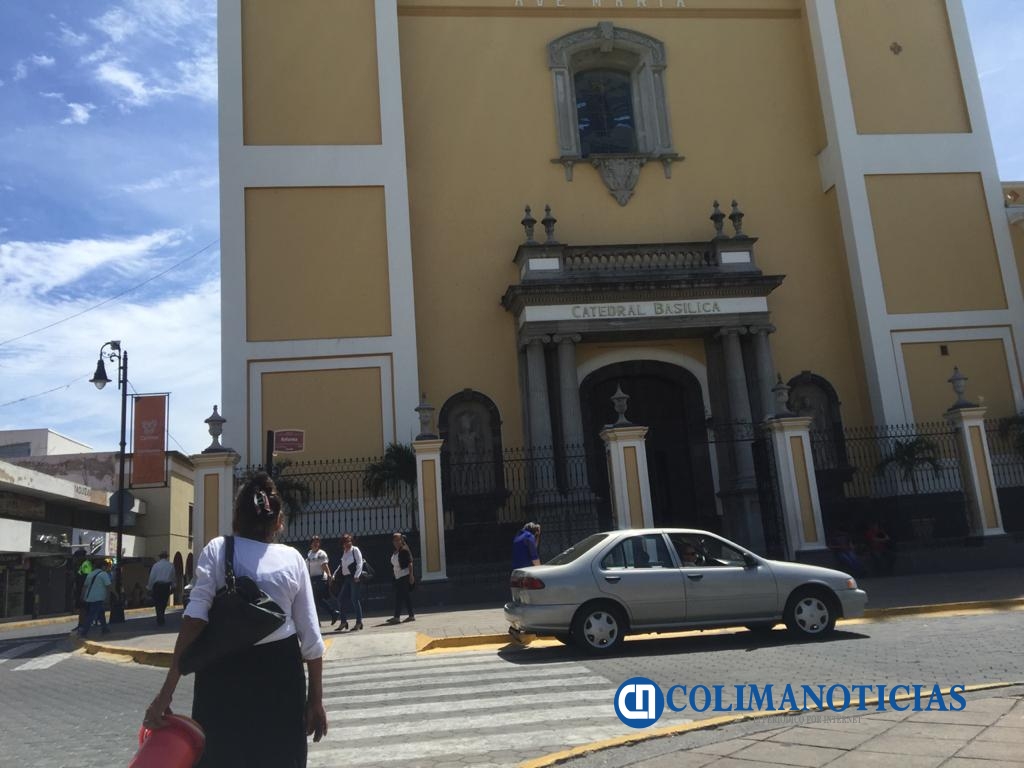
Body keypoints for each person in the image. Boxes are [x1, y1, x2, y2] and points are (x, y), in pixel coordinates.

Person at [143, 472, 327, 768]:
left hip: (222, 676)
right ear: (278, 521)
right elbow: (311, 640)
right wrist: (315, 700)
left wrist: (166, 693)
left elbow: (194, 621)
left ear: (236, 518)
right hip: (281, 677)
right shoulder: (292, 558)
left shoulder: (218, 549)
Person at [332, 533, 364, 632]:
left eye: (349, 541)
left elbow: (360, 562)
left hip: (354, 578)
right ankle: (343, 622)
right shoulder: (345, 552)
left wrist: (357, 575)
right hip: (346, 579)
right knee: (341, 599)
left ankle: (359, 622)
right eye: (345, 542)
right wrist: (334, 575)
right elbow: (341, 565)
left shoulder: (355, 550)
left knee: (354, 599)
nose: (347, 543)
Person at [79, 559, 117, 638]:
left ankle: (104, 628)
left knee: (101, 613)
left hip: (89, 598)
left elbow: (84, 586)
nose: (107, 569)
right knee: (91, 615)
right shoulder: (103, 574)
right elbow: (109, 586)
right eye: (106, 567)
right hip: (97, 598)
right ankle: (84, 632)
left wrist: (82, 597)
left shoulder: (90, 574)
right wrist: (116, 594)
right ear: (103, 567)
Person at [306, 535, 336, 625]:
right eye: (314, 542)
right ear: (310, 544)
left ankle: (321, 619)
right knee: (316, 600)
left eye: (317, 542)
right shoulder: (309, 553)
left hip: (320, 579)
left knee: (316, 600)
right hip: (312, 579)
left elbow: (324, 565)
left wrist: (330, 576)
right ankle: (332, 613)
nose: (315, 544)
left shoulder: (321, 553)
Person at [387, 532, 415, 624]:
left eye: (397, 540)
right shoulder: (396, 551)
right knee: (406, 597)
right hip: (398, 576)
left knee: (399, 597)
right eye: (394, 540)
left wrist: (411, 576)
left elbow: (410, 563)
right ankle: (411, 616)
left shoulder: (404, 550)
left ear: (401, 540)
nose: (396, 542)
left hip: (404, 576)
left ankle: (397, 617)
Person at [147, 551, 176, 626]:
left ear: (160, 557)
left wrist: (149, 588)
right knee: (163, 602)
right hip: (166, 586)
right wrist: (173, 586)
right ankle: (161, 615)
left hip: (157, 586)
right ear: (167, 557)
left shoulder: (156, 565)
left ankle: (159, 616)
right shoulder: (170, 565)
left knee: (157, 603)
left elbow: (152, 577)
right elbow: (173, 577)